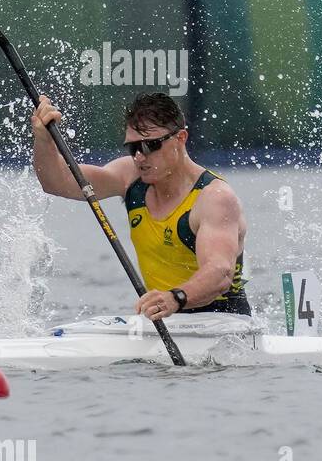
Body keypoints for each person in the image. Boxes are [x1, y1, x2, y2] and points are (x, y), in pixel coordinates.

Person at [30, 91, 249, 319]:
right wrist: (44, 139)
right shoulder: (130, 176)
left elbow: (220, 272)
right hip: (165, 318)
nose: (140, 157)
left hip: (222, 324)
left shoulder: (215, 198)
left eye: (150, 145)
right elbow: (57, 182)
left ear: (181, 138)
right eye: (133, 148)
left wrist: (176, 298)